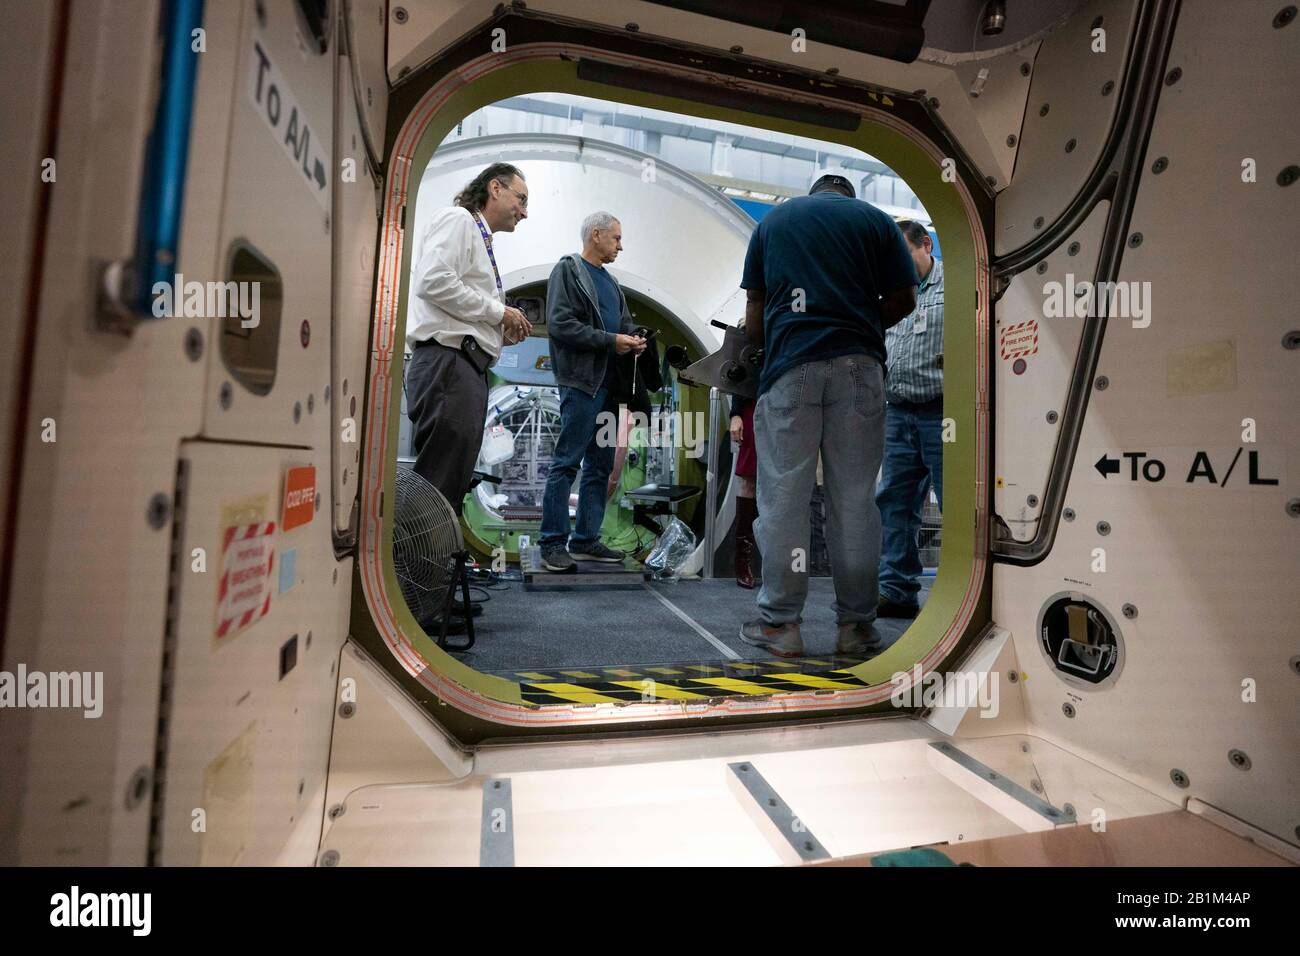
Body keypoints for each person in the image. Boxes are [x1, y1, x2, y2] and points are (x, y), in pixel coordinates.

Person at [738, 173, 918, 657]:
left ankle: (782, 626)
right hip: (861, 368)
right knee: (856, 500)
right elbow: (905, 296)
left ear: (815, 191)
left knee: (784, 498)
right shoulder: (876, 222)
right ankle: (856, 628)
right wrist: (857, 324)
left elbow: (755, 303)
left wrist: (763, 348)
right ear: (848, 195)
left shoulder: (774, 221)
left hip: (791, 366)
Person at [405, 163, 532, 515]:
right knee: (439, 480)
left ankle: (437, 560)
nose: (524, 211)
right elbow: (433, 282)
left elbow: (460, 304)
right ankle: (419, 564)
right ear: (495, 188)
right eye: (520, 199)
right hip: (449, 364)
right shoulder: (459, 220)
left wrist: (499, 334)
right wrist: (498, 313)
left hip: (465, 367)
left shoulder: (479, 237)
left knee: (451, 479)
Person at [539, 212, 646, 572]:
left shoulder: (612, 284)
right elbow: (560, 324)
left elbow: (625, 324)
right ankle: (553, 542)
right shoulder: (567, 270)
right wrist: (610, 340)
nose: (621, 245)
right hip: (581, 382)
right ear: (596, 236)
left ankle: (584, 540)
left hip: (610, 387)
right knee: (567, 461)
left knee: (600, 466)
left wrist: (633, 339)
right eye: (616, 238)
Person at [877, 220, 945, 618]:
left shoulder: (954, 288)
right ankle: (896, 591)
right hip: (898, 412)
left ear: (926, 244)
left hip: (943, 411)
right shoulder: (893, 294)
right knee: (895, 504)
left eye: (904, 254)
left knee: (953, 505)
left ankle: (956, 595)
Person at [728, 394, 758, 588]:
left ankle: (778, 565)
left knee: (784, 485)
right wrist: (736, 414)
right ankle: (742, 562)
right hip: (754, 403)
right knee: (748, 481)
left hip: (788, 404)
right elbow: (741, 368)